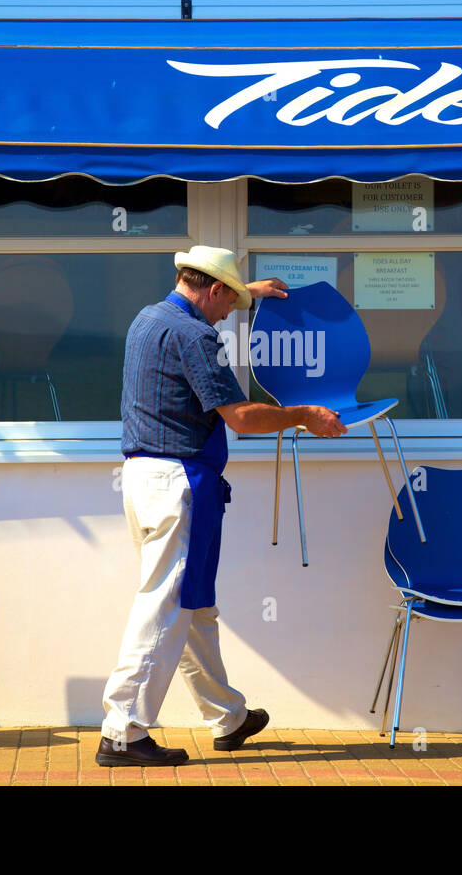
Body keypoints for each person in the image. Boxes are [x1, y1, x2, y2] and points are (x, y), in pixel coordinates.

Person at [97, 246, 346, 767]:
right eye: (228, 303)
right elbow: (242, 418)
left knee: (193, 607)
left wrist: (247, 292)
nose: (231, 314)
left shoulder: (150, 318)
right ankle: (122, 729)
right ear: (212, 289)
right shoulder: (196, 337)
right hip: (179, 483)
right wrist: (303, 415)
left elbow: (202, 305)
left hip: (144, 479)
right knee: (165, 605)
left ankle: (227, 718)